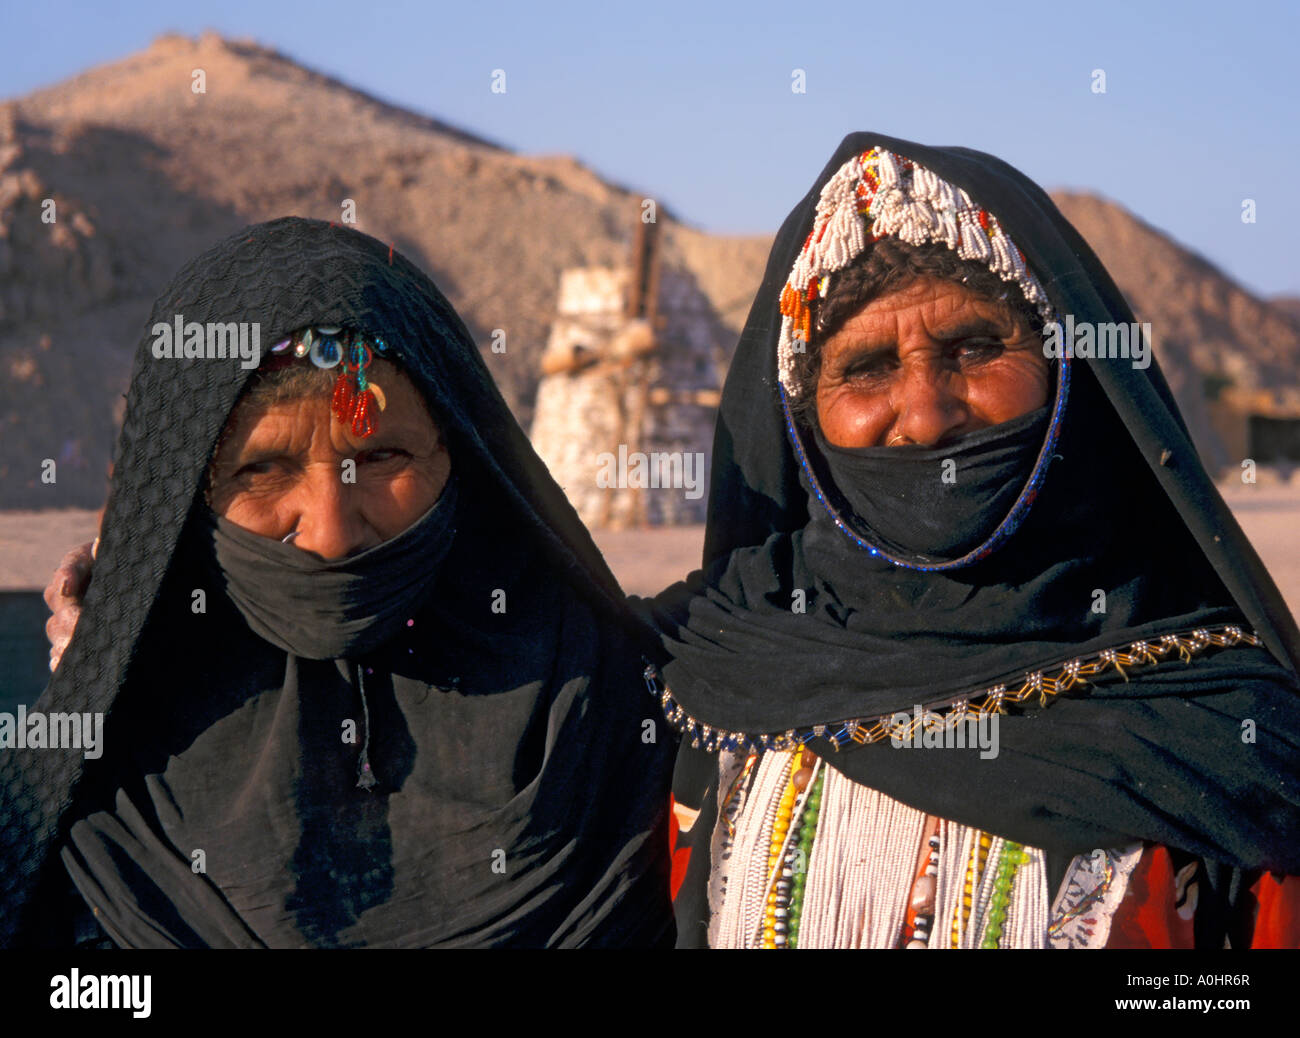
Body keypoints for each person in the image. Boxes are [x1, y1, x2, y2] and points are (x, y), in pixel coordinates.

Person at [648, 134, 1300, 948]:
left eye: (976, 349)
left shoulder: (1229, 723)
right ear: (803, 421)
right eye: (868, 367)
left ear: (1069, 375)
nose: (925, 416)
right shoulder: (705, 671)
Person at [2, 218, 674, 948]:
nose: (331, 532)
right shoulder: (94, 772)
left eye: (383, 456)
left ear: (465, 464)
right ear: (186, 497)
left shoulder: (611, 702)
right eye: (261, 471)